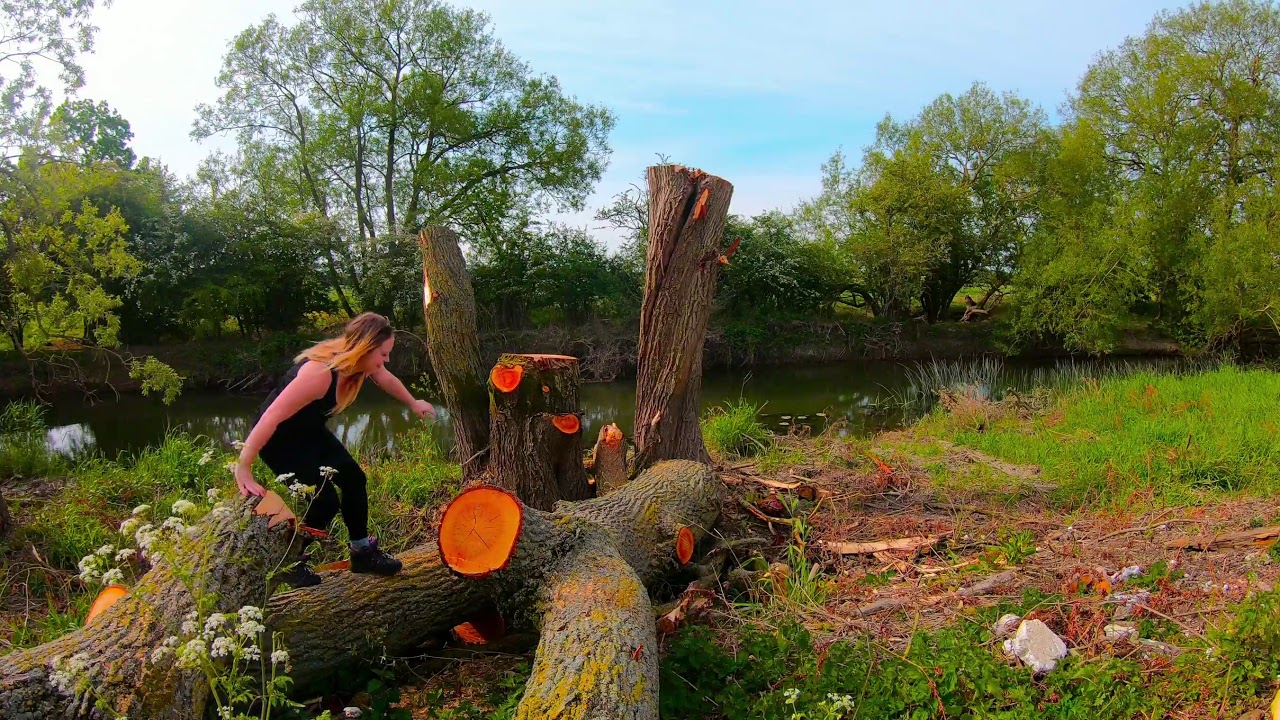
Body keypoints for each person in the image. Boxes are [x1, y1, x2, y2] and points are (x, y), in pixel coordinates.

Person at [233, 312, 435, 587]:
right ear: (365, 346)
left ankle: (362, 552)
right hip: (278, 441)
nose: (385, 361)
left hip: (309, 431)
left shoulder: (360, 364)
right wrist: (243, 467)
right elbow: (271, 416)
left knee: (354, 480)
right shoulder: (318, 375)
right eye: (384, 354)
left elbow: (385, 377)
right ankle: (289, 562)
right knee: (324, 501)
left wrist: (413, 403)